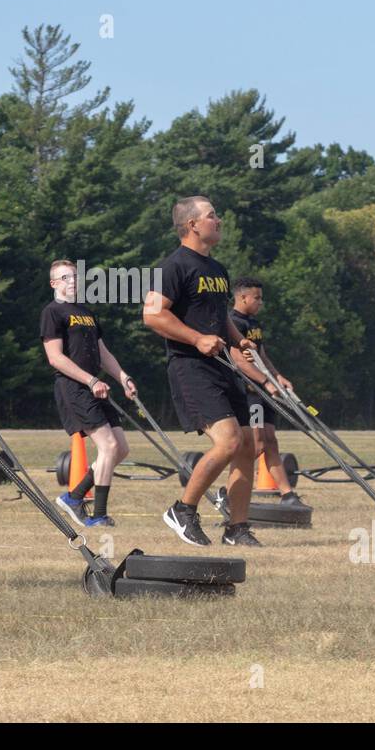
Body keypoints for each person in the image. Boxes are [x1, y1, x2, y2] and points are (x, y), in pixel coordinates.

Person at [142, 196, 261, 548]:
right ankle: (183, 510)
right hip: (191, 367)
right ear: (193, 224)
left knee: (246, 446)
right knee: (228, 441)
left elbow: (219, 315)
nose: (219, 220)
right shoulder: (174, 266)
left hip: (222, 365)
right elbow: (152, 315)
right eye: (212, 215)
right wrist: (197, 339)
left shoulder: (217, 269)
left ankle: (237, 529)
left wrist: (239, 341)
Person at [40, 260, 137, 527]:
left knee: (121, 449)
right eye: (65, 278)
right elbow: (55, 358)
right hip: (74, 388)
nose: (72, 281)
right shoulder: (52, 312)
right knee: (109, 446)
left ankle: (74, 497)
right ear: (54, 283)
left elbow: (103, 352)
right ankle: (99, 515)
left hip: (96, 386)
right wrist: (90, 380)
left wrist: (122, 377)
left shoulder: (86, 312)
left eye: (74, 276)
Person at [229, 277, 306, 507]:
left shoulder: (254, 324)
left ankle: (287, 495)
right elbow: (239, 360)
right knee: (257, 444)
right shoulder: (233, 324)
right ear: (242, 297)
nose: (261, 302)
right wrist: (265, 382)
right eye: (257, 297)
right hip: (249, 392)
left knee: (270, 441)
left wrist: (278, 377)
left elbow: (261, 355)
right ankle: (228, 488)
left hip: (262, 391)